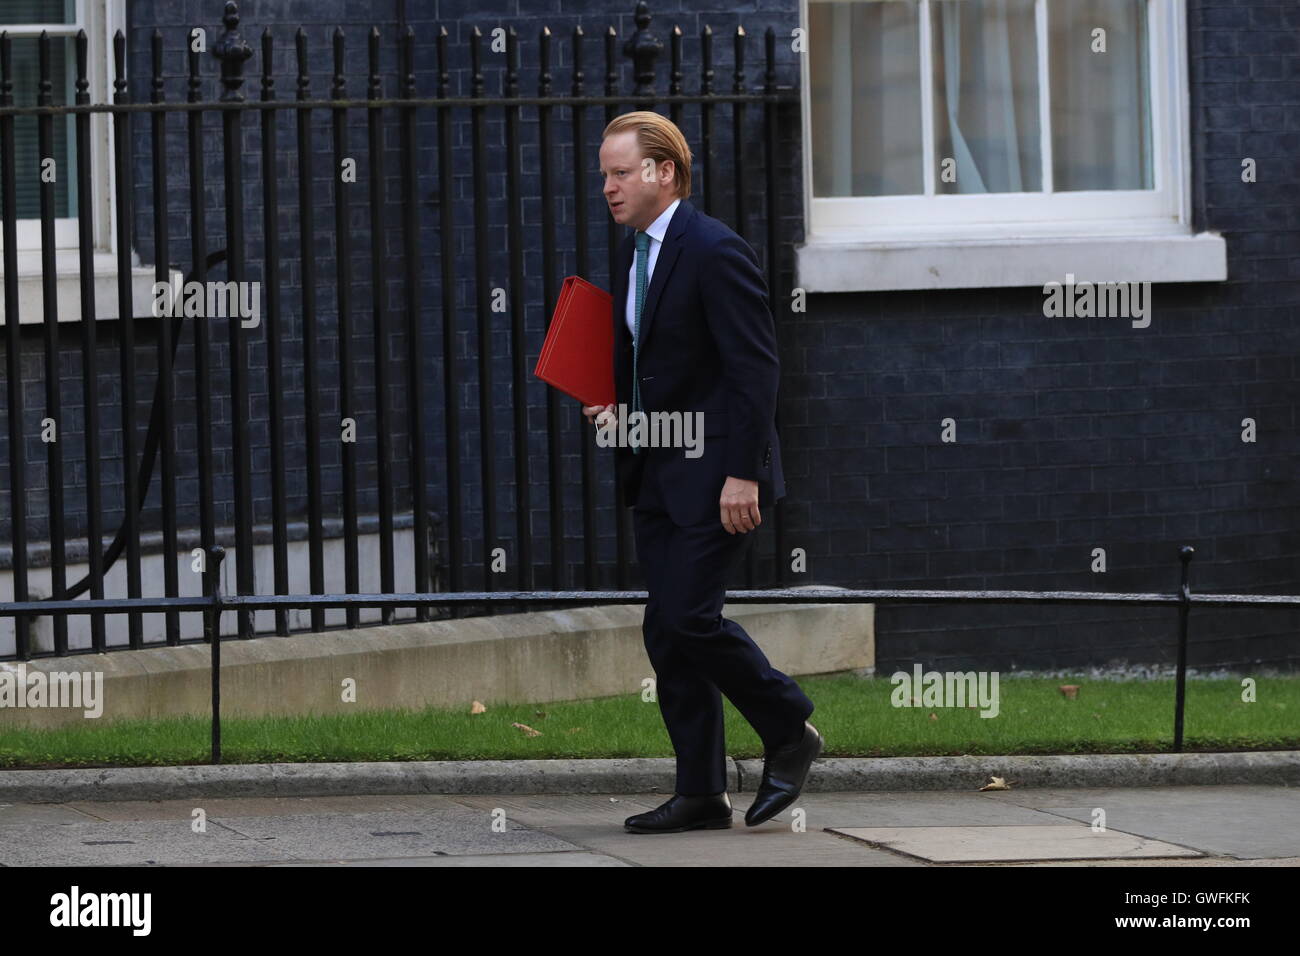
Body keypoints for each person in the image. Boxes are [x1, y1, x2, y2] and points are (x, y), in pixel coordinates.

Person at [582, 111, 822, 833]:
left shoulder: (714, 249)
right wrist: (616, 408)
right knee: (667, 631)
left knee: (689, 616)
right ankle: (700, 793)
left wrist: (744, 474)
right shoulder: (638, 255)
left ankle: (789, 727)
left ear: (664, 172)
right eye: (604, 174)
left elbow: (755, 370)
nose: (608, 187)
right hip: (658, 470)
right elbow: (660, 368)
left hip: (719, 477)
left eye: (620, 172)